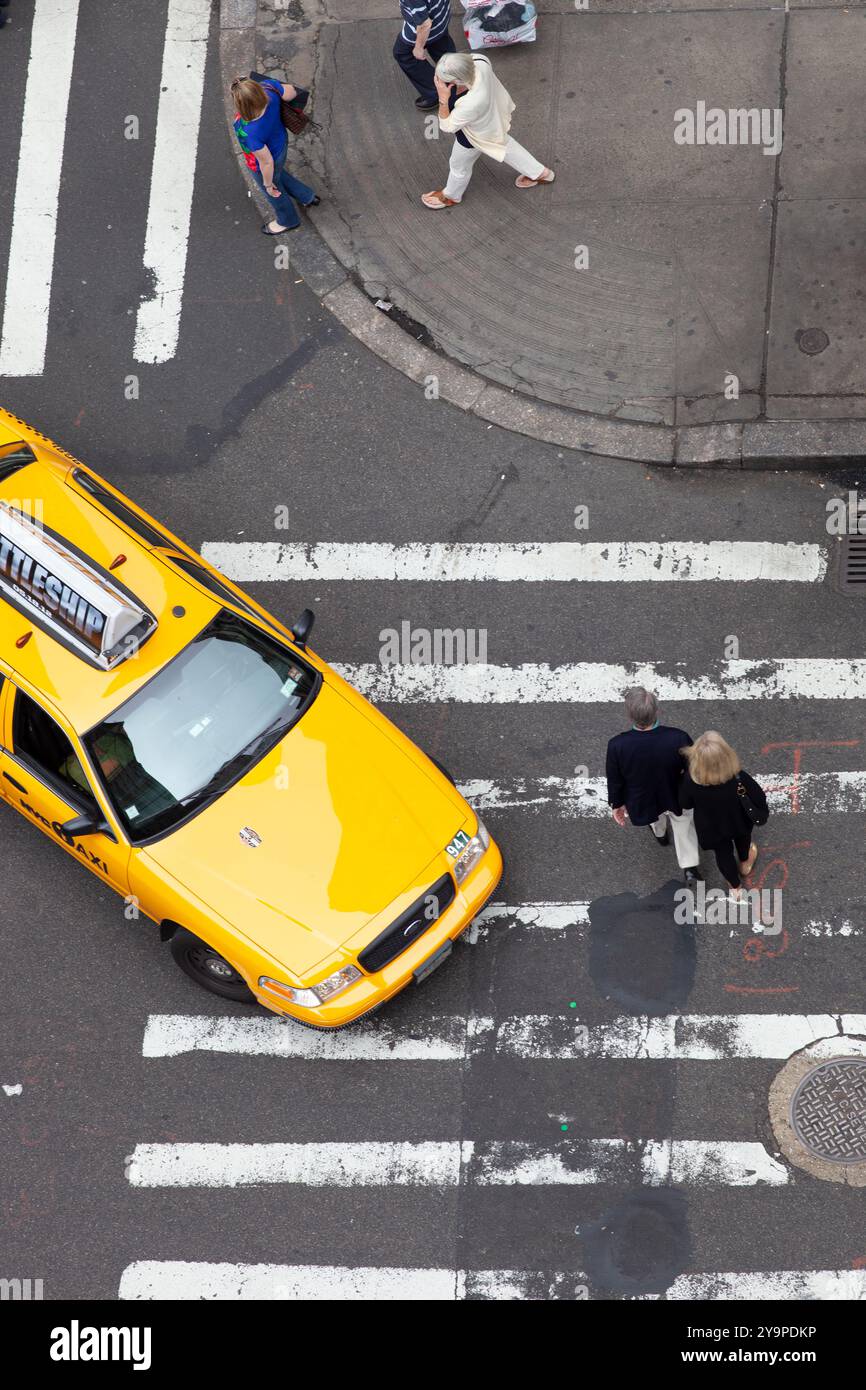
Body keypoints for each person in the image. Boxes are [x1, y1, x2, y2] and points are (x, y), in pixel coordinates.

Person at [422, 52, 554, 209]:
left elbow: (446, 126)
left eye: (442, 80)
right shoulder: (480, 61)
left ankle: (451, 196)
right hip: (493, 119)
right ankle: (541, 173)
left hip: (473, 136)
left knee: (458, 165)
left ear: (458, 81)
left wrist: (442, 98)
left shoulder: (471, 102)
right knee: (504, 145)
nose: (438, 82)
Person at [606, 687, 702, 885]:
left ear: (630, 715)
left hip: (643, 798)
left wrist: (617, 804)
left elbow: (615, 779)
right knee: (684, 827)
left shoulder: (617, 745)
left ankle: (660, 835)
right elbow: (694, 770)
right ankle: (690, 868)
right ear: (656, 711)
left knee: (655, 819)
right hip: (676, 794)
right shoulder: (678, 737)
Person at [679, 732, 768, 900]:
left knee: (723, 854)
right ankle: (744, 863)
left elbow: (685, 803)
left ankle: (735, 887)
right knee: (743, 840)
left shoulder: (691, 781)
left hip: (711, 827)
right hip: (738, 821)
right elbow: (758, 796)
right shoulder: (738, 778)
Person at [230, 77, 319, 236]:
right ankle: (307, 196)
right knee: (278, 174)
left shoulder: (251, 132)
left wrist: (268, 185)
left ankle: (288, 220)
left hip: (263, 161)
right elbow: (291, 91)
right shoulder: (269, 89)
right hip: (280, 144)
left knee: (274, 189)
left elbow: (266, 163)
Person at [394, 1, 456, 111]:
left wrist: (418, 48)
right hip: (440, 19)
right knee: (445, 55)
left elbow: (424, 24)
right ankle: (458, 80)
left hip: (424, 30)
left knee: (403, 54)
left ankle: (436, 93)